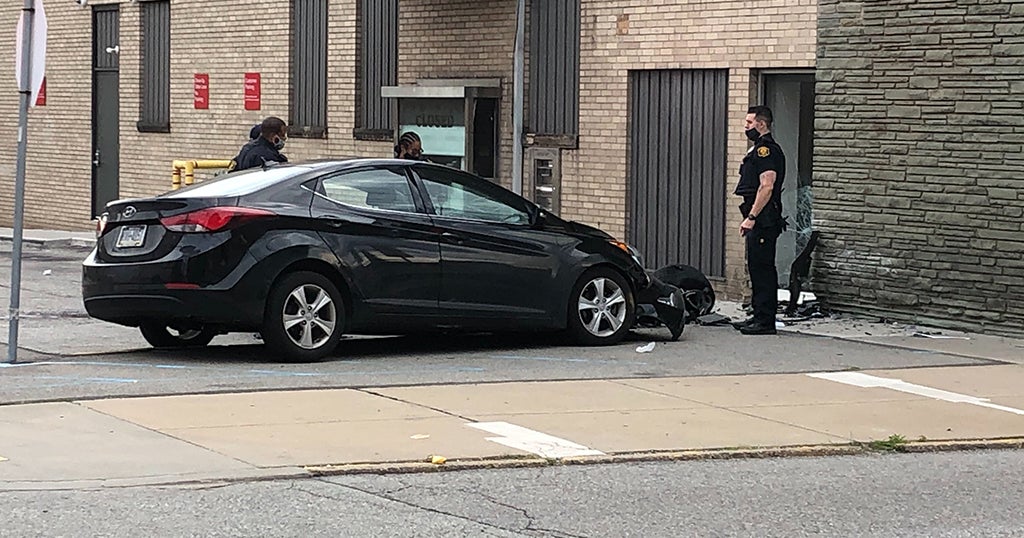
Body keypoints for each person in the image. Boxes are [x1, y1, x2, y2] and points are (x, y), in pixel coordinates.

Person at [733, 105, 786, 336]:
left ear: (761, 124)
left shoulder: (766, 151)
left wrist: (752, 217)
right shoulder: (757, 150)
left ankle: (765, 320)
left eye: (749, 123)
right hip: (758, 218)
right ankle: (758, 314)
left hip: (764, 219)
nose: (746, 127)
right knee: (756, 267)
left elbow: (767, 186)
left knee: (763, 269)